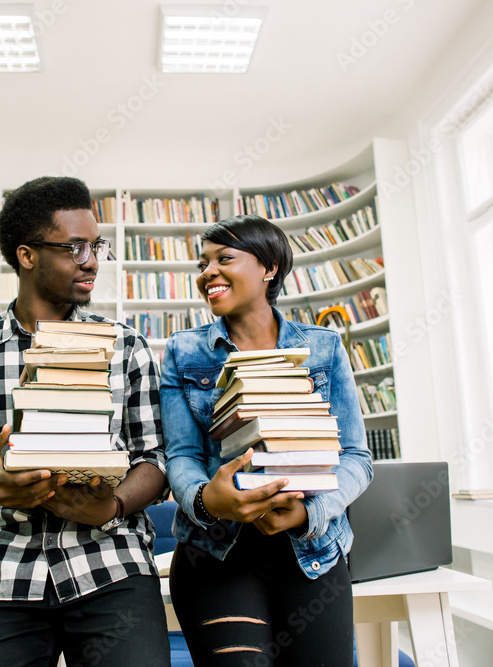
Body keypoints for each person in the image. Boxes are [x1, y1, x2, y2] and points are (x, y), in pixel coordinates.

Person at [0, 176, 170, 666]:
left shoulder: (126, 346)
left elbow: (155, 460)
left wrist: (113, 505)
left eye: (96, 246)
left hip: (110, 561)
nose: (92, 260)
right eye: (75, 247)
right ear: (26, 255)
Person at [161, 214, 374, 666]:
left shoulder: (324, 347)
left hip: (312, 550)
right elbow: (181, 455)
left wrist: (309, 512)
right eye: (202, 264)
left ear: (269, 267)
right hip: (216, 552)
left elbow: (356, 456)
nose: (207, 273)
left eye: (224, 258)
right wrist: (205, 500)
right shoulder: (183, 351)